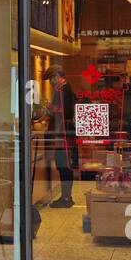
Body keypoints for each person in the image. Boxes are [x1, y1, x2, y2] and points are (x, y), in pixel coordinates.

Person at [44, 65, 78, 208]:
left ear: (57, 76)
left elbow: (59, 112)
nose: (51, 82)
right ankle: (66, 196)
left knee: (63, 166)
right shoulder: (66, 89)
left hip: (61, 135)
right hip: (64, 134)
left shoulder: (61, 90)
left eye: (51, 78)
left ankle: (66, 198)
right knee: (64, 166)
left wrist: (47, 106)